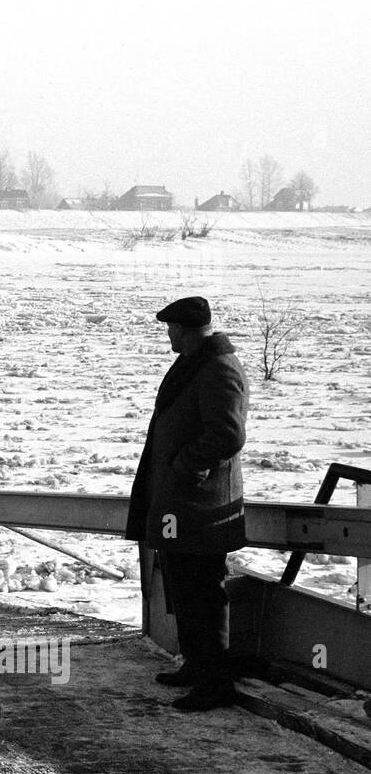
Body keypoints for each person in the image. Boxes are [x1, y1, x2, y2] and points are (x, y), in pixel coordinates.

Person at [125, 296, 249, 712]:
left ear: (187, 329)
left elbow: (228, 435)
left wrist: (184, 469)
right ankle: (197, 667)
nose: (168, 336)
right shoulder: (197, 362)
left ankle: (216, 683)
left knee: (203, 590)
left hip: (200, 504)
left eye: (172, 329)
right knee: (183, 583)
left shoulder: (217, 369)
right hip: (182, 504)